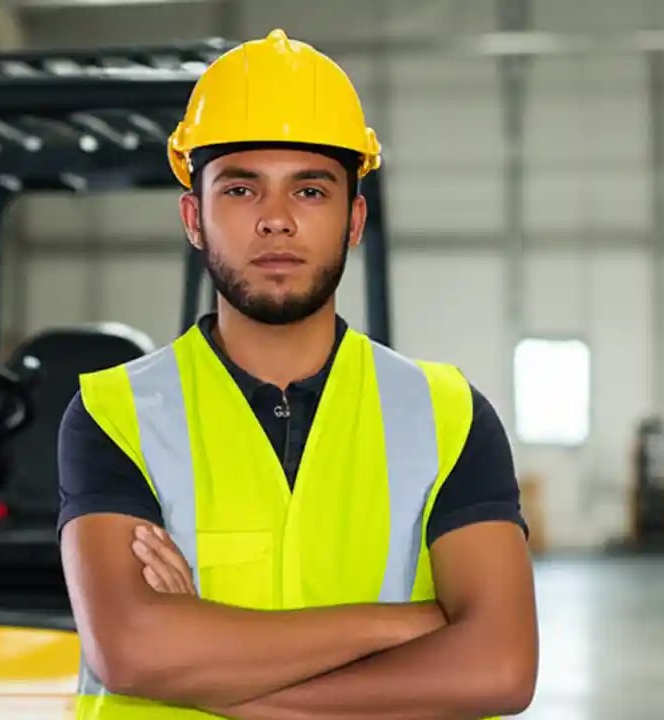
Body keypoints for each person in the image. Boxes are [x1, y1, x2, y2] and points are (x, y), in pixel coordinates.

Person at [56, 28, 538, 720]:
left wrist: (211, 670)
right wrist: (404, 623)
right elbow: (132, 651)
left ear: (353, 219)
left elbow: (500, 665)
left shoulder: (448, 414)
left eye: (310, 191)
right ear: (194, 217)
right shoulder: (116, 414)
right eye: (242, 190)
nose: (276, 221)